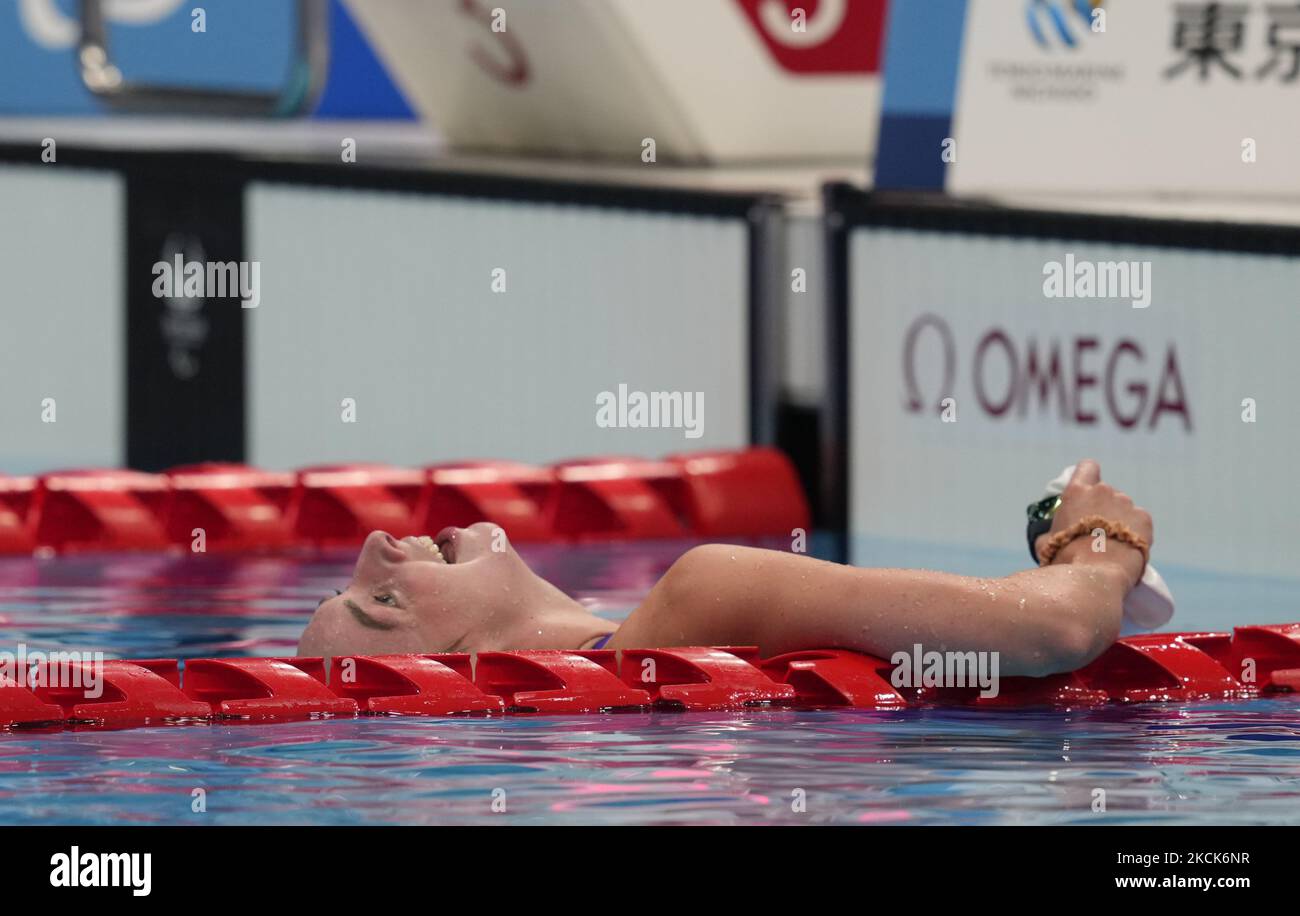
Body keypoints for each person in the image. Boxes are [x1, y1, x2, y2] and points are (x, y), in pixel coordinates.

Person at [297, 459, 1152, 677]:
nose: (374, 543)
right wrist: (1097, 541)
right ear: (454, 670)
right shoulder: (698, 597)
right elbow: (1060, 626)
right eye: (380, 600)